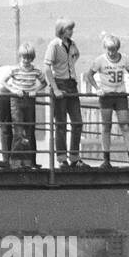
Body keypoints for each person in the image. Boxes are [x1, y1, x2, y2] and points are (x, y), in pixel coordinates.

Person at [87, 34, 129, 169]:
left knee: (125, 126)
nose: (111, 53)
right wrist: (97, 88)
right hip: (106, 97)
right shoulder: (100, 60)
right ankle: (106, 160)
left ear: (118, 48)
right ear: (105, 48)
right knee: (106, 127)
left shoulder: (124, 59)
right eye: (109, 50)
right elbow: (89, 75)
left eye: (114, 50)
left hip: (120, 95)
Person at [45, 18, 84, 168]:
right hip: (60, 83)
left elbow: (76, 55)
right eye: (69, 29)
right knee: (60, 124)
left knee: (77, 122)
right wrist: (54, 88)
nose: (71, 31)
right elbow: (47, 67)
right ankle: (62, 159)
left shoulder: (72, 44)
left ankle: (74, 157)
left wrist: (70, 67)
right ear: (61, 30)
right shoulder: (54, 45)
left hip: (71, 84)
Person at [1, 43, 48, 169]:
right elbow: (3, 81)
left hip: (29, 100)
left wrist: (36, 90)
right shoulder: (15, 70)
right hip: (16, 100)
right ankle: (15, 161)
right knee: (18, 131)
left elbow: (44, 83)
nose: (26, 61)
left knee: (29, 131)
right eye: (24, 58)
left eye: (28, 58)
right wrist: (13, 90)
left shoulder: (36, 71)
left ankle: (28, 161)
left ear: (32, 58)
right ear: (20, 57)